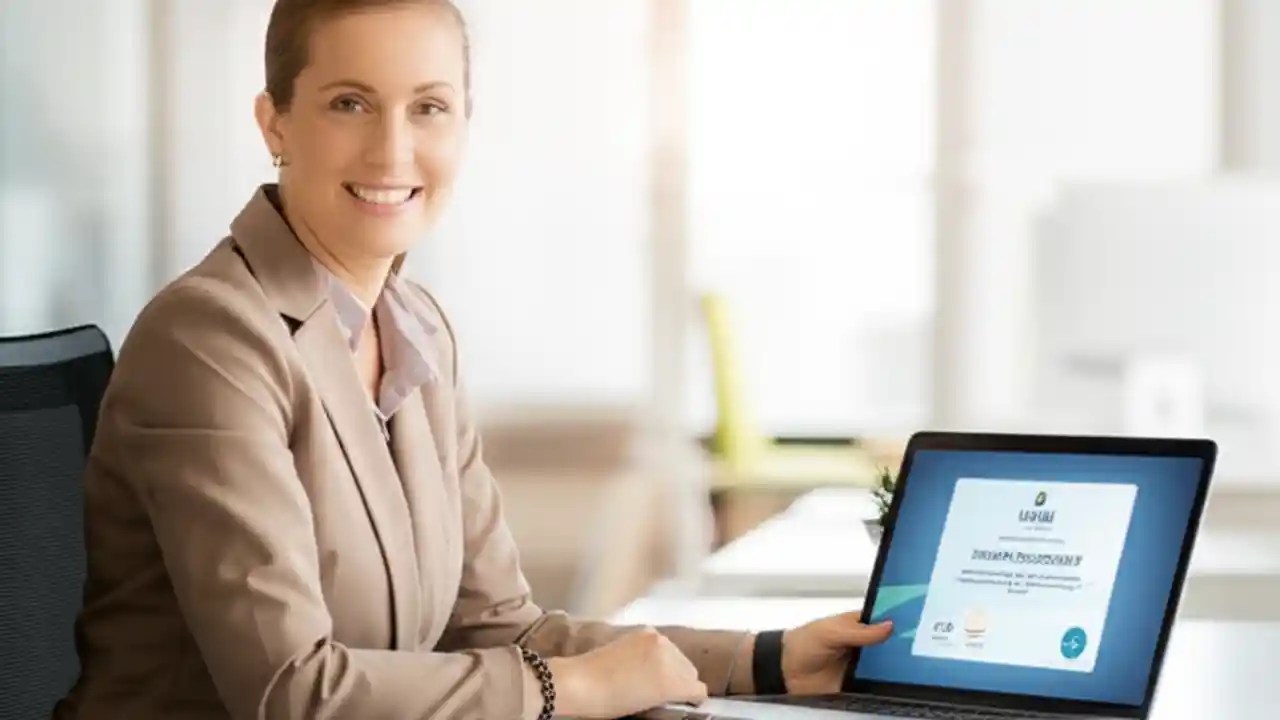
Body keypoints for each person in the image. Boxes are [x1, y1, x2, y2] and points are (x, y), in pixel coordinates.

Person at [56, 1, 892, 718]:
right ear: (275, 122)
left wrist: (768, 659)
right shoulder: (211, 338)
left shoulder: (416, 327)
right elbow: (291, 690)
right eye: (350, 103)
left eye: (428, 107)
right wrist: (569, 690)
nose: (392, 153)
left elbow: (499, 629)